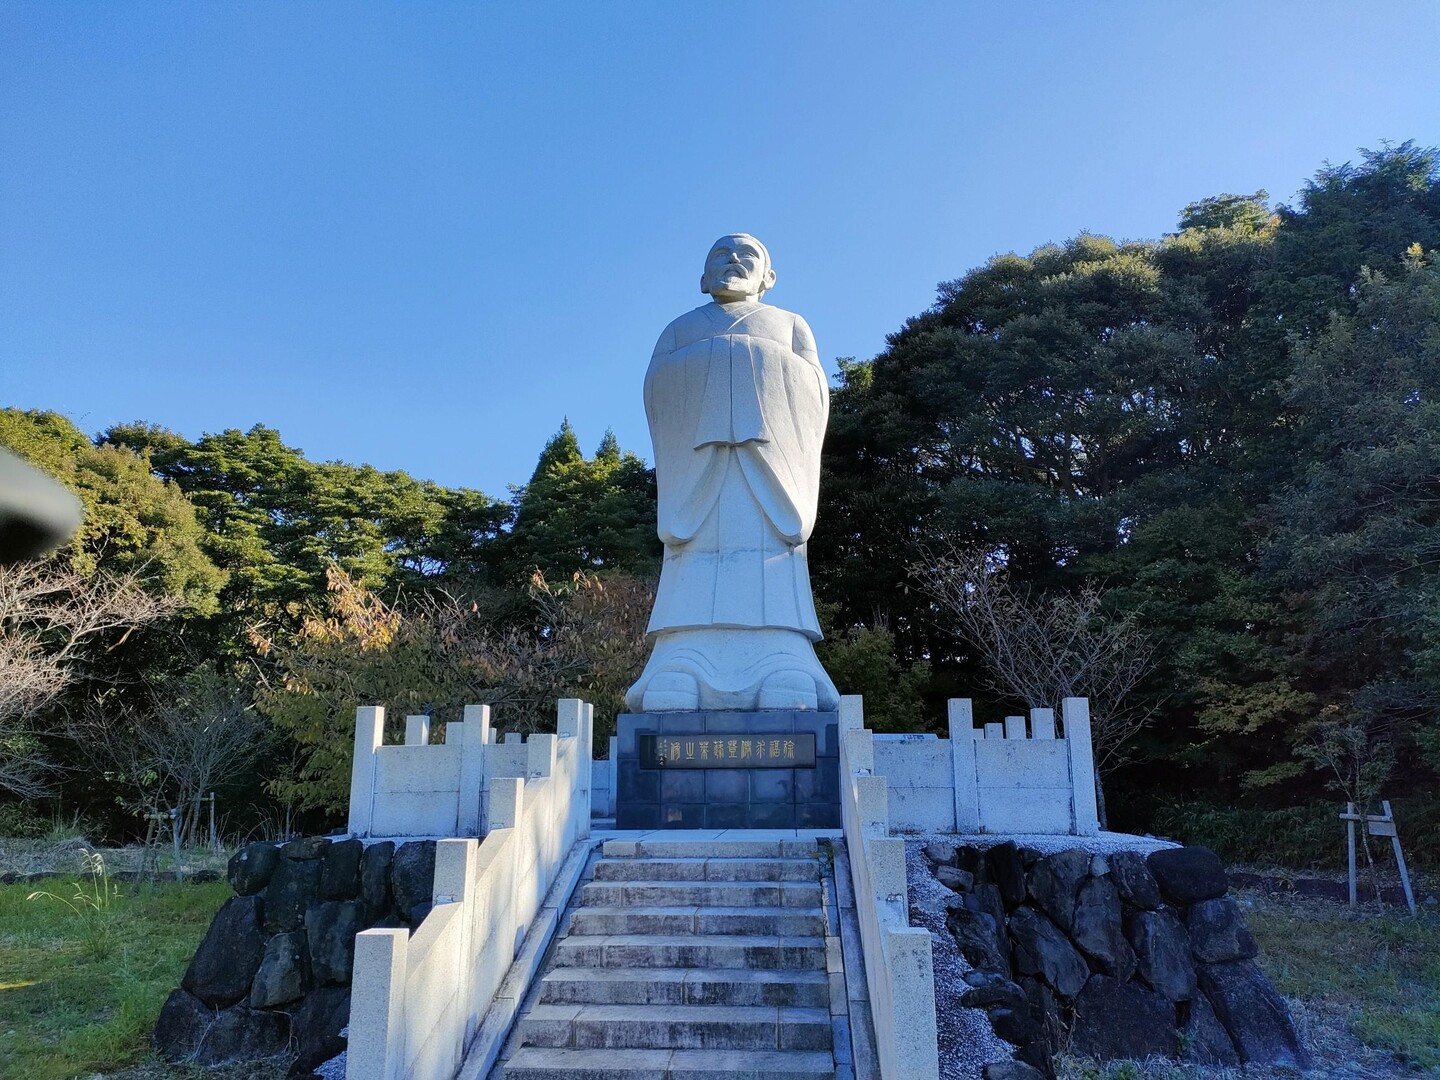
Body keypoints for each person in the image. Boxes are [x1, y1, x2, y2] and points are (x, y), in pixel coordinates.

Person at [625, 234, 839, 712]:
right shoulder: (679, 329)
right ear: (703, 277)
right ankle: (681, 661)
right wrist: (726, 365)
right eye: (721, 255)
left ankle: (783, 659)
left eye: (747, 256)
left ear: (769, 277)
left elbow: (813, 393)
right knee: (694, 560)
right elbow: (658, 389)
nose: (733, 262)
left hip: (770, 470)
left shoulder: (790, 325)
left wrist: (747, 365)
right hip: (697, 472)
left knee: (771, 561)